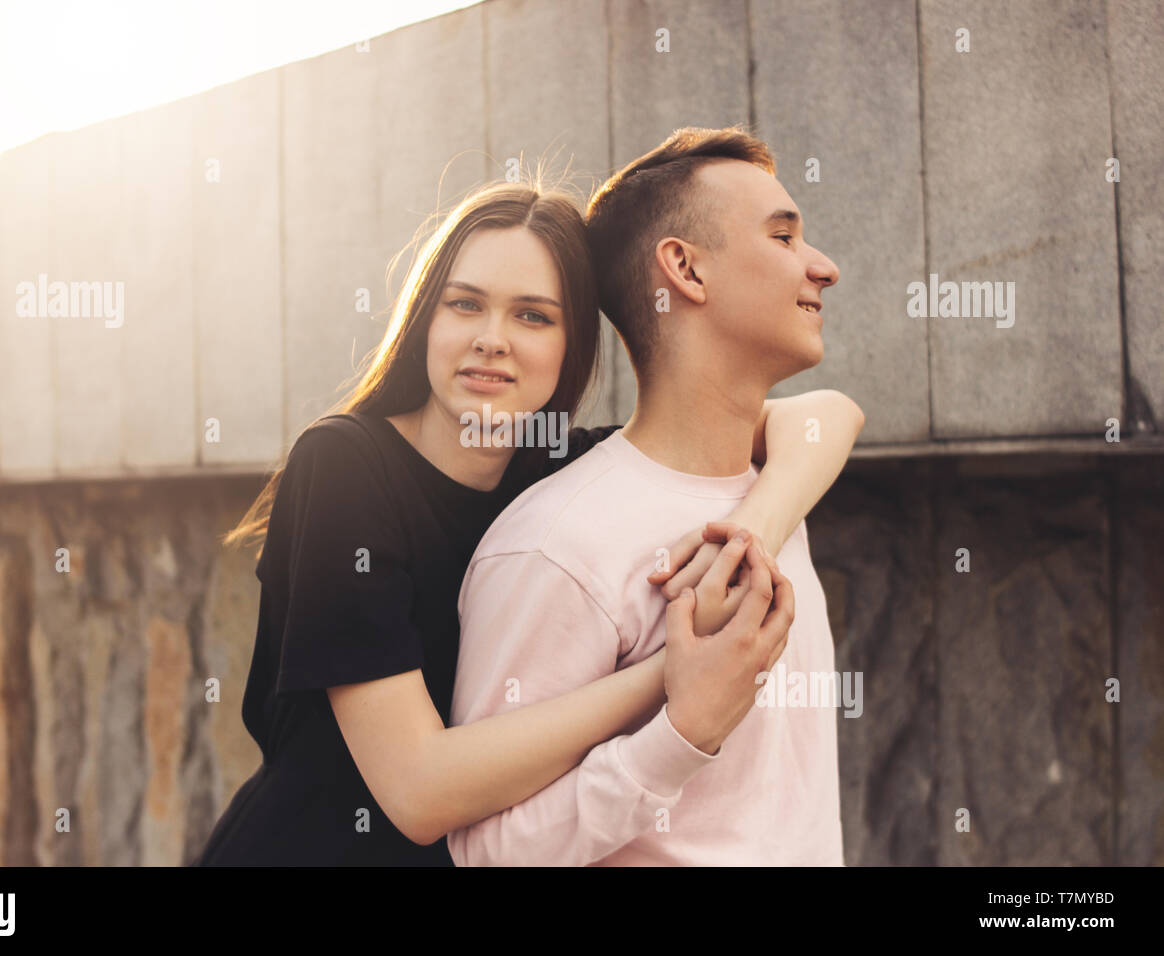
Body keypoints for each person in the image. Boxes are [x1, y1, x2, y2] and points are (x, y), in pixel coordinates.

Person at [192, 172, 861, 866]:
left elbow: (827, 416)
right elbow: (417, 791)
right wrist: (675, 678)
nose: (491, 339)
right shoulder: (346, 469)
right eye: (465, 305)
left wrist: (752, 533)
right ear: (426, 317)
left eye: (533, 316)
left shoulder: (554, 472)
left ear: (573, 347)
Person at [448, 126, 862, 866]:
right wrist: (680, 736)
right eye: (784, 236)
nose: (824, 267)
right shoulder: (556, 545)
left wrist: (758, 525)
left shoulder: (773, 498)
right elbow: (485, 852)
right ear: (685, 270)